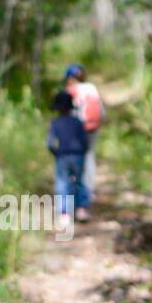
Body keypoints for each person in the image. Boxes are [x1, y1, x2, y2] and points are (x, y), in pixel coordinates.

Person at [47, 90, 90, 224]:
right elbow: (86, 141)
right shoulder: (78, 122)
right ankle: (81, 209)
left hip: (63, 156)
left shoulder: (55, 123)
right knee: (79, 182)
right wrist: (83, 152)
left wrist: (56, 153)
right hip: (78, 155)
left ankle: (64, 213)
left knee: (62, 183)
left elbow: (50, 143)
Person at [64, 65, 103, 204]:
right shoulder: (91, 87)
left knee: (75, 159)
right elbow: (101, 111)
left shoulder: (69, 91)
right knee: (89, 156)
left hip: (76, 129)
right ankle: (88, 189)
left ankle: (75, 191)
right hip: (93, 127)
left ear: (69, 78)